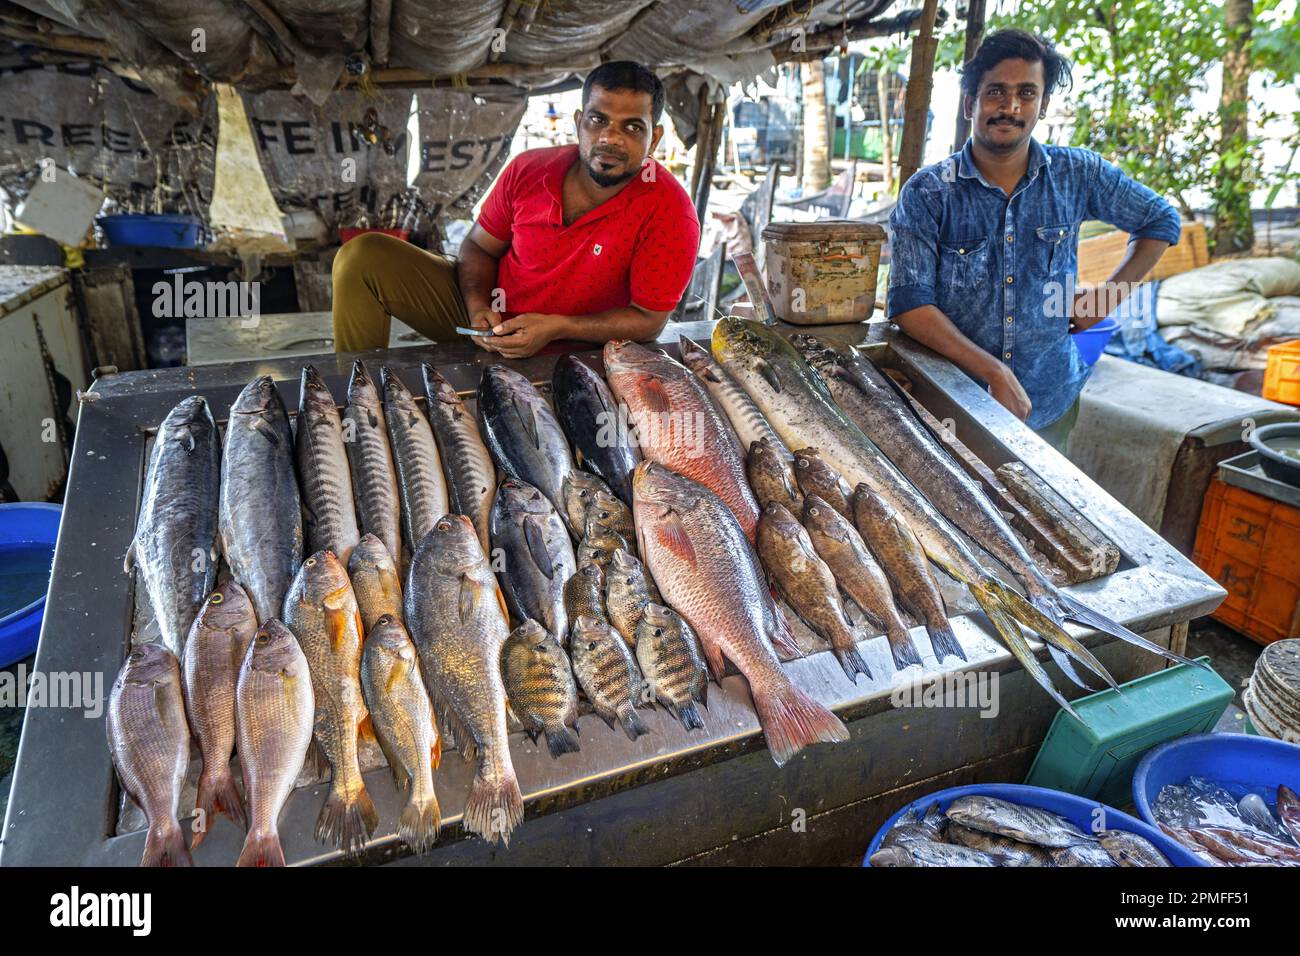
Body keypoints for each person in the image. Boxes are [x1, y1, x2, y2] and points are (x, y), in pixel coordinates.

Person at [887, 29, 1181, 451]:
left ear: (1042, 106)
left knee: (1038, 514)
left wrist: (1106, 298)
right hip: (952, 404)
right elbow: (910, 305)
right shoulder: (929, 191)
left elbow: (1160, 220)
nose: (1010, 107)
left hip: (1050, 400)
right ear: (971, 103)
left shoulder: (1077, 174)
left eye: (1026, 93)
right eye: (996, 92)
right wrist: (994, 372)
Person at [331, 60, 700, 358]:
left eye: (632, 126)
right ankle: (355, 401)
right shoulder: (529, 169)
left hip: (579, 350)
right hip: (491, 320)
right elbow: (478, 247)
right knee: (362, 258)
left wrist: (557, 327)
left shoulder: (670, 212)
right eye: (598, 119)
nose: (610, 138)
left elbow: (649, 320)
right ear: (578, 122)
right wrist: (478, 308)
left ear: (654, 139)